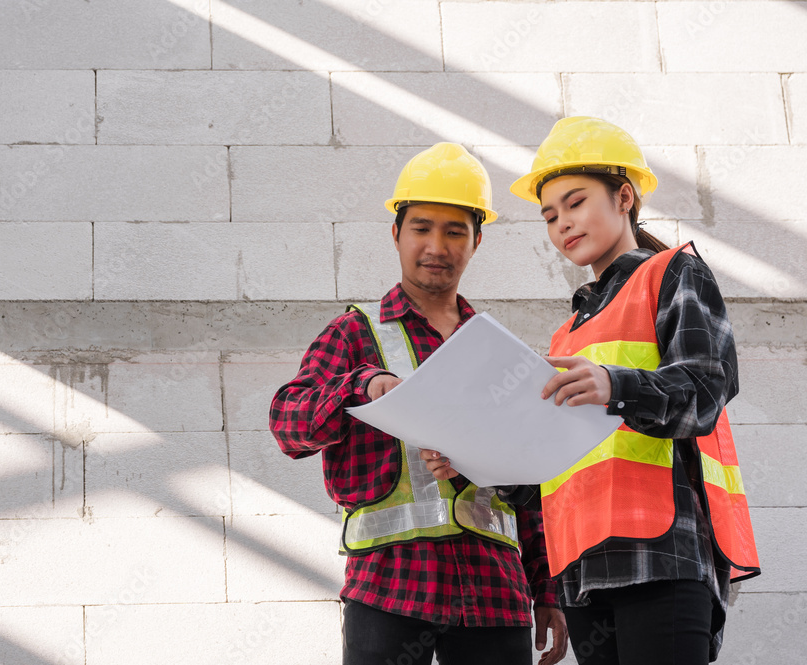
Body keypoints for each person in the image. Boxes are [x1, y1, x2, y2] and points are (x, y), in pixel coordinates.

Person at [422, 117, 760, 664]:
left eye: (575, 202)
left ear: (624, 196)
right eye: (550, 215)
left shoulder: (674, 274)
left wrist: (614, 386)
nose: (562, 224)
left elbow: (706, 386)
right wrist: (476, 465)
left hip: (661, 558)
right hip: (584, 573)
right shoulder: (567, 333)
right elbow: (550, 476)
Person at [269, 143, 568, 665]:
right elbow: (287, 425)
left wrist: (549, 589)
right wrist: (357, 386)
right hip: (389, 588)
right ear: (396, 234)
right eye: (422, 227)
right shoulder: (356, 334)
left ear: (476, 240)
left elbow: (532, 485)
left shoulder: (499, 352)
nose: (437, 245)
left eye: (455, 231)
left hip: (493, 595)